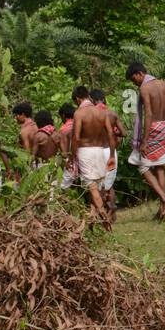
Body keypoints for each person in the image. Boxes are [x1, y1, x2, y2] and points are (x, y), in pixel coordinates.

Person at [125, 61, 165, 221]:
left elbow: (148, 114)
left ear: (139, 74)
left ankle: (164, 199)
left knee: (143, 167)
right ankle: (162, 209)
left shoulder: (145, 88)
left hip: (152, 128)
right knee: (159, 167)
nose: (135, 83)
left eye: (134, 80)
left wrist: (145, 140)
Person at [70, 85, 115, 226]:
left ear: (77, 99)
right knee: (97, 185)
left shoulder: (79, 114)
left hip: (85, 151)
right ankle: (91, 221)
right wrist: (112, 154)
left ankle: (104, 218)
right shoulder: (101, 112)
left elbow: (76, 137)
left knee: (92, 187)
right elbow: (110, 134)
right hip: (100, 150)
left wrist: (72, 156)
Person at [90, 89, 122, 217]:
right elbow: (123, 133)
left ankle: (102, 214)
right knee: (109, 184)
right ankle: (111, 211)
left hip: (98, 151)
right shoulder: (112, 114)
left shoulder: (92, 115)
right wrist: (113, 133)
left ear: (92, 100)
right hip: (111, 151)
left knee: (98, 185)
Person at [56, 103, 77, 189]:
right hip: (84, 160)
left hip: (71, 162)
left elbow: (64, 153)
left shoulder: (63, 129)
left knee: (58, 187)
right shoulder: (79, 125)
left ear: (63, 115)